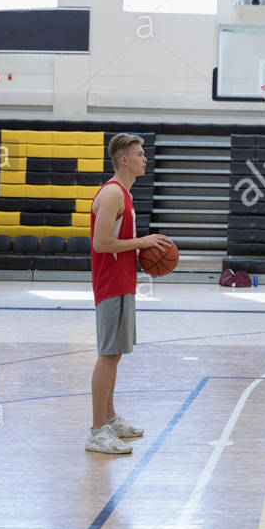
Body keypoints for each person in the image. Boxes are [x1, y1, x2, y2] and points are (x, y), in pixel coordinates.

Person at [85, 133, 170, 455]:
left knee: (115, 353)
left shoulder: (124, 194)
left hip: (123, 281)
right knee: (107, 354)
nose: (144, 158)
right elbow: (100, 244)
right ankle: (96, 432)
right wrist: (143, 242)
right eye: (139, 154)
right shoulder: (112, 194)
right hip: (110, 282)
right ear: (124, 160)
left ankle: (109, 418)